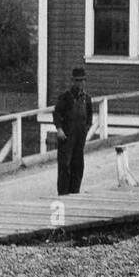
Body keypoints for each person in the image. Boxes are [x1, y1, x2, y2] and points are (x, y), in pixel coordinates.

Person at [53, 66, 93, 195]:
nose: (80, 83)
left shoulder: (87, 98)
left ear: (85, 81)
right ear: (72, 81)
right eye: (77, 80)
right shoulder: (65, 97)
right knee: (65, 165)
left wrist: (85, 130)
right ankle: (63, 193)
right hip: (67, 136)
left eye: (82, 80)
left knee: (78, 165)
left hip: (80, 137)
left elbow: (89, 117)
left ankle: (75, 192)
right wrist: (59, 129)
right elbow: (57, 113)